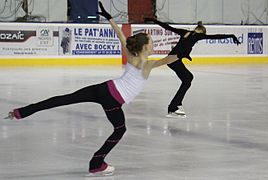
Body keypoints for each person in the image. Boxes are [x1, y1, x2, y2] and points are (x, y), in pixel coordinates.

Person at [4, 2, 178, 177]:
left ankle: (21, 112)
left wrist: (109, 17)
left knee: (64, 99)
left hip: (104, 88)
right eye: (152, 43)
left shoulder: (132, 56)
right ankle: (96, 162)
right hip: (113, 101)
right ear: (146, 47)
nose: (154, 45)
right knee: (120, 130)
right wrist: (182, 52)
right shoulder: (146, 65)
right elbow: (168, 60)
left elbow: (120, 34)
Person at [150, 19, 241, 118]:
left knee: (188, 78)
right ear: (202, 32)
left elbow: (168, 27)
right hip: (173, 60)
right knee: (188, 79)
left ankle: (177, 103)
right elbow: (215, 37)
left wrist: (154, 20)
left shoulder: (185, 32)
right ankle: (173, 107)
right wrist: (231, 35)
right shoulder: (197, 36)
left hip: (172, 58)